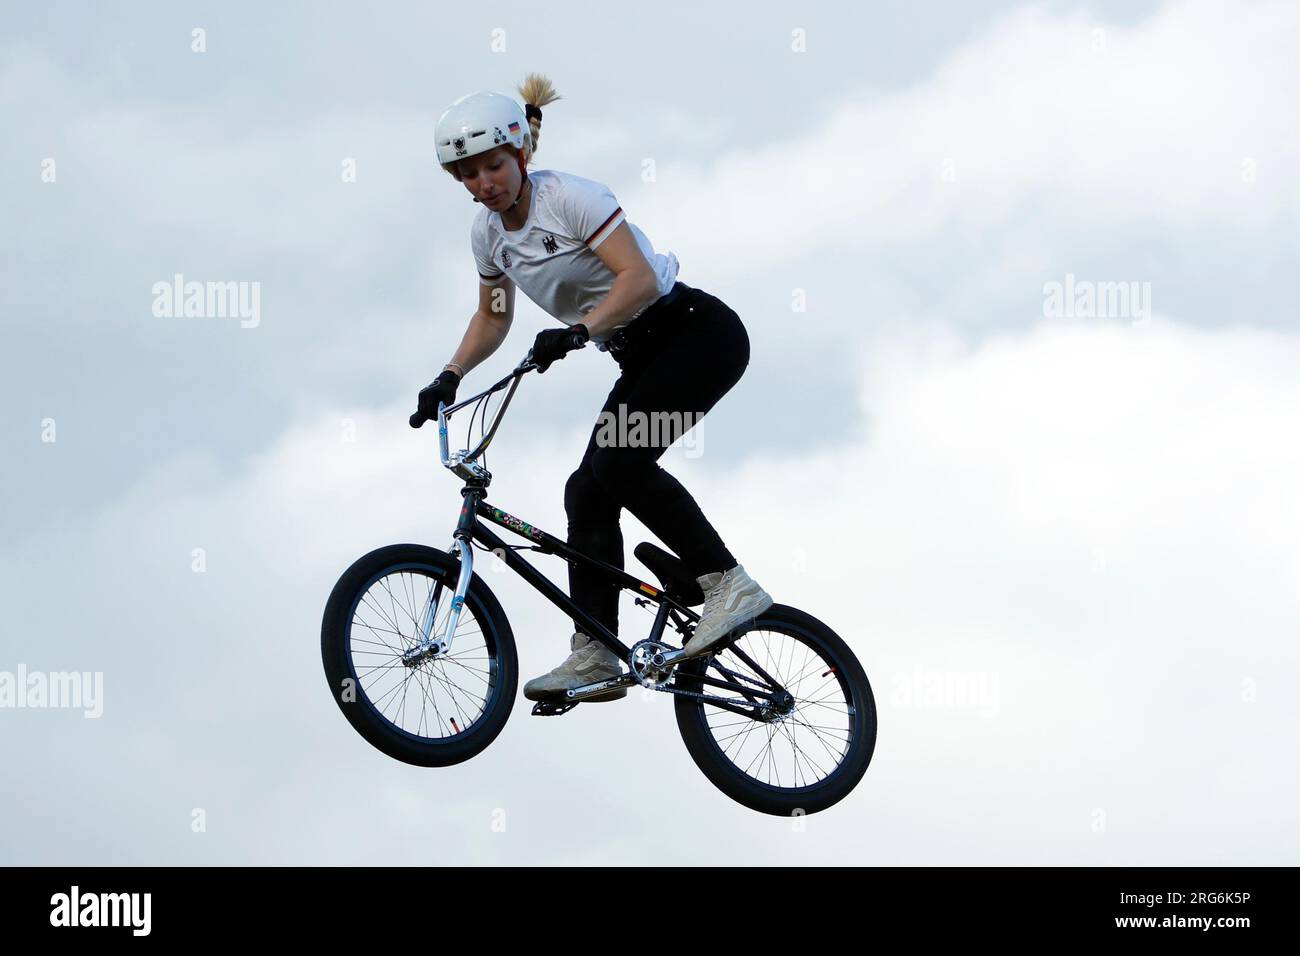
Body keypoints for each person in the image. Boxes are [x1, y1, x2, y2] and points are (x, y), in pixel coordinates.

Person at [415, 73, 772, 702]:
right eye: (467, 176)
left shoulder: (571, 198)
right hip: (639, 357)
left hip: (695, 336)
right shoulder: (489, 236)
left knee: (619, 464)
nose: (483, 184)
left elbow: (635, 279)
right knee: (587, 487)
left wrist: (578, 331)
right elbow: (494, 317)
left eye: (493, 166)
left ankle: (726, 583)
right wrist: (449, 376)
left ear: (521, 154)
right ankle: (599, 651)